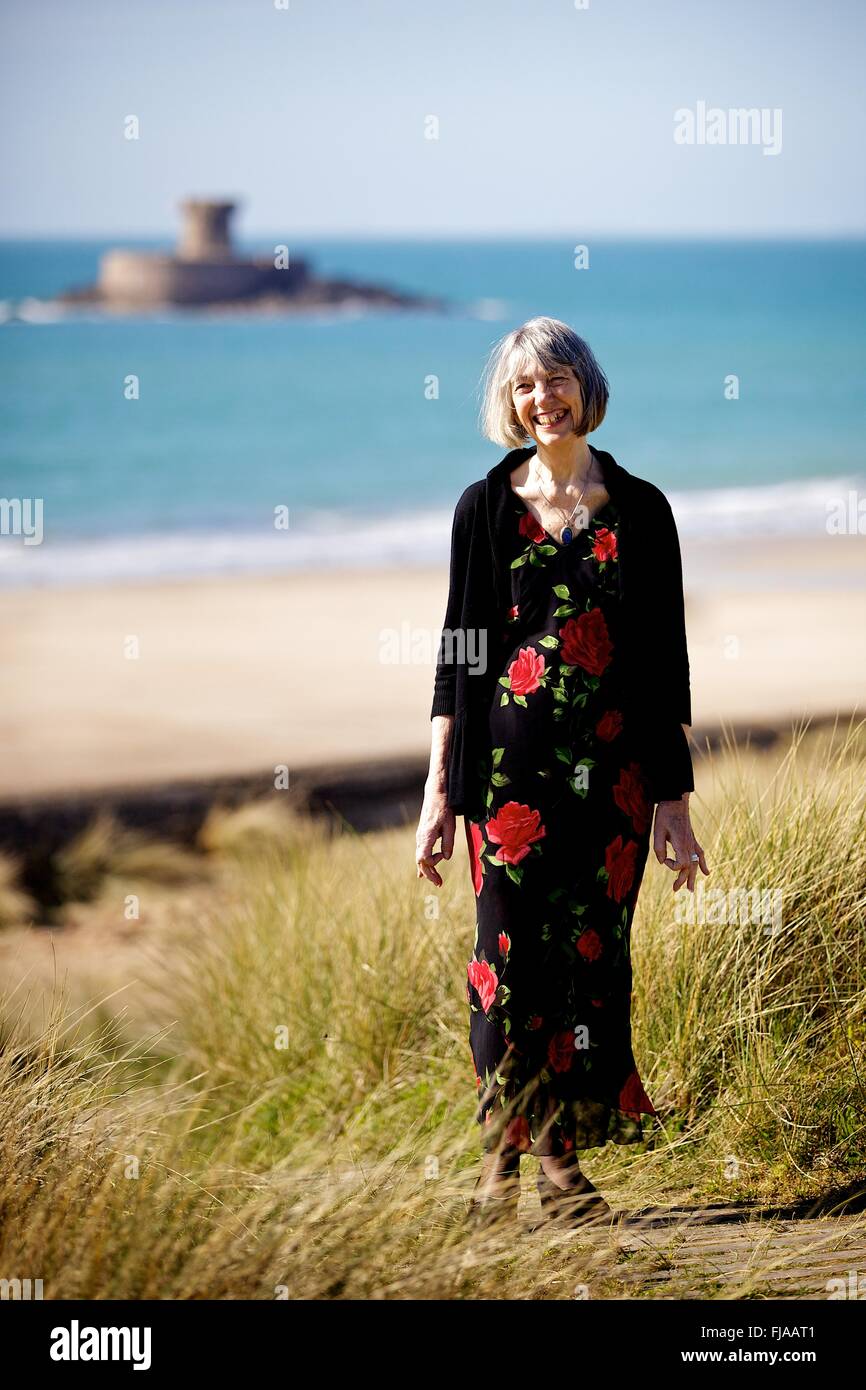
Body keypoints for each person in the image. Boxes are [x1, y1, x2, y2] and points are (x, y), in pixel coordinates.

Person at [415, 316, 709, 1228]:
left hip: (616, 786)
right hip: (507, 783)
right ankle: (504, 1172)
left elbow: (665, 661)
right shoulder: (485, 507)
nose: (542, 399)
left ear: (585, 386)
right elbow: (459, 654)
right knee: (505, 971)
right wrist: (438, 790)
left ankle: (560, 1175)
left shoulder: (643, 507)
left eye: (556, 381)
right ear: (509, 403)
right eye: (524, 387)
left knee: (590, 972)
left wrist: (674, 800)